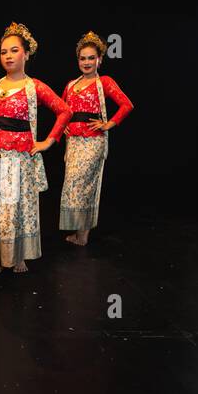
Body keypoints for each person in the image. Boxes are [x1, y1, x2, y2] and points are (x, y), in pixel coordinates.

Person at [0, 22, 71, 273]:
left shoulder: (34, 86)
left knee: (15, 206)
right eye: (3, 52)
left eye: (14, 51)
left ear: (26, 53)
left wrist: (49, 141)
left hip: (19, 158)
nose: (8, 56)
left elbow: (64, 111)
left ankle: (18, 254)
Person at [59, 31, 134, 246]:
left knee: (83, 185)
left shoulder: (105, 82)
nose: (87, 62)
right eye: (83, 58)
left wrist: (108, 124)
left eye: (91, 57)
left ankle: (82, 235)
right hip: (73, 143)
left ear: (99, 59)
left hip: (93, 142)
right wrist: (63, 125)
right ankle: (79, 232)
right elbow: (63, 109)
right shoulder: (71, 84)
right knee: (73, 186)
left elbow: (126, 105)